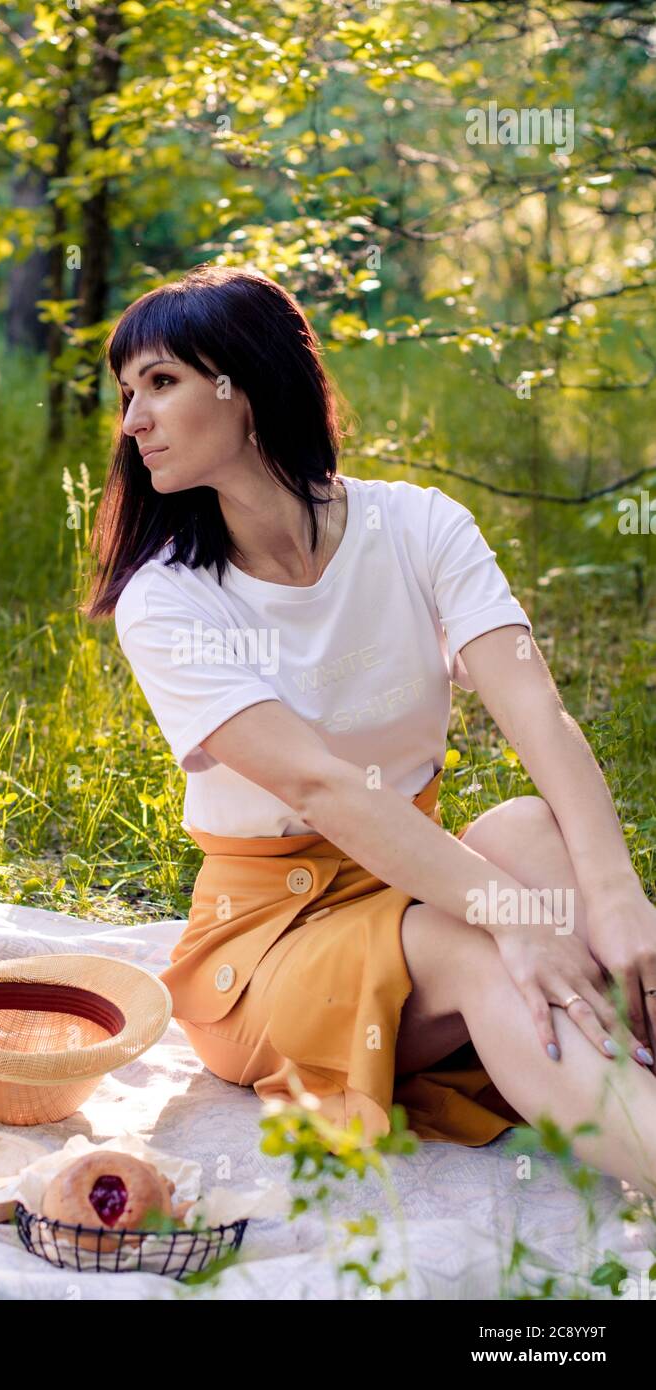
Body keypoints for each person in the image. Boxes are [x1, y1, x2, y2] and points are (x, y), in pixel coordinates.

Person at [83, 264, 656, 1194]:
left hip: (414, 874)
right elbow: (320, 788)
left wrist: (619, 897)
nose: (130, 422)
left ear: (247, 383)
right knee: (484, 939)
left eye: (159, 383)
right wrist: (511, 915)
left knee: (524, 831)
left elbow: (537, 718)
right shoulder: (168, 600)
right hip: (269, 940)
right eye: (125, 394)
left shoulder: (419, 525)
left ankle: (626, 1075)